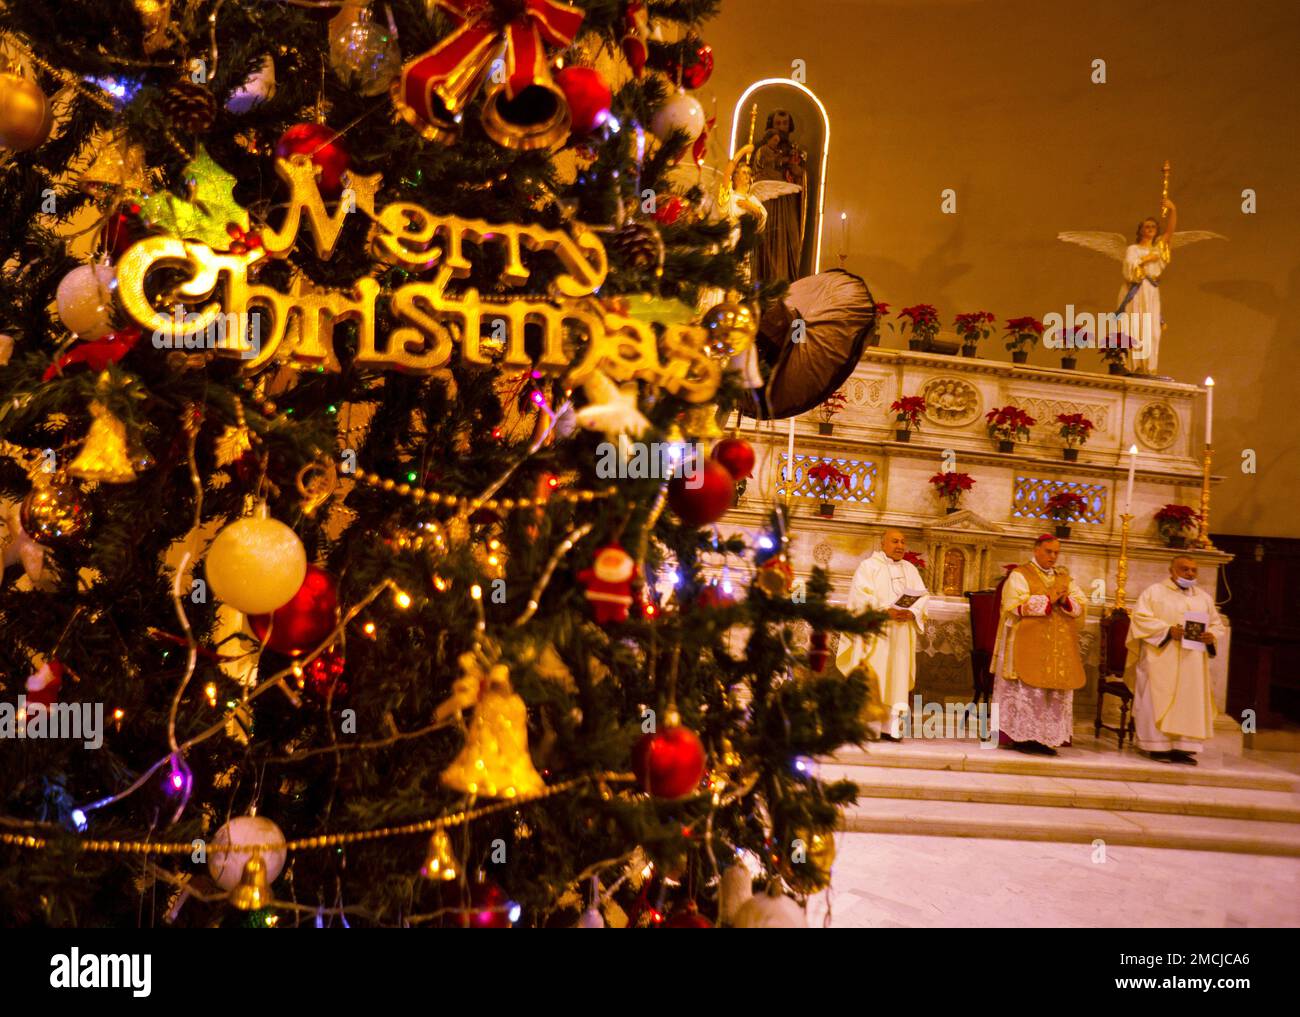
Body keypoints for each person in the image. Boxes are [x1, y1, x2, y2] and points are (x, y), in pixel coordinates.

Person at [990, 535, 1087, 755]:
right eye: (1048, 552)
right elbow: (1013, 605)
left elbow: (1081, 604)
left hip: (1056, 647)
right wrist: (1047, 600)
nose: (1053, 556)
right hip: (1027, 642)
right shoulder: (1020, 575)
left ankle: (1047, 738)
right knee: (1027, 690)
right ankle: (1022, 737)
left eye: (1056, 553)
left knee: (1052, 692)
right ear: (1036, 551)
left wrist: (1065, 601)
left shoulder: (1064, 579)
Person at [1126, 555, 1226, 765]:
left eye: (1193, 570)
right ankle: (1155, 745)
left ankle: (1183, 747)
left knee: (1188, 701)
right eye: (1184, 569)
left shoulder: (1203, 598)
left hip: (1192, 661)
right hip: (1161, 658)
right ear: (1171, 571)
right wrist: (1167, 631)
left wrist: (1211, 635)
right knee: (1157, 699)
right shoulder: (1154, 593)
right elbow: (1140, 619)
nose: (1190, 573)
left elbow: (1216, 624)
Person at [837, 529, 929, 740]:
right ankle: (871, 727)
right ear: (883, 544)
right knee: (875, 676)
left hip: (901, 633)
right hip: (877, 632)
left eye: (903, 542)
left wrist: (912, 611)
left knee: (897, 677)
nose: (900, 546)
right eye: (895, 541)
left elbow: (923, 596)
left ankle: (892, 728)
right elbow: (859, 597)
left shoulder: (910, 569)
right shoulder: (868, 567)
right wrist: (884, 610)